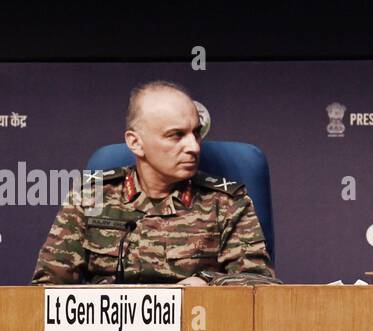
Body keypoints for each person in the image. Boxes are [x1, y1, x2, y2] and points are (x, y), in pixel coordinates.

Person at [32, 80, 279, 286]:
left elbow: (258, 285)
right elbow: (47, 290)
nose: (193, 147)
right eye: (176, 135)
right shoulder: (91, 197)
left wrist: (206, 282)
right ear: (135, 143)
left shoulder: (227, 202)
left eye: (195, 133)